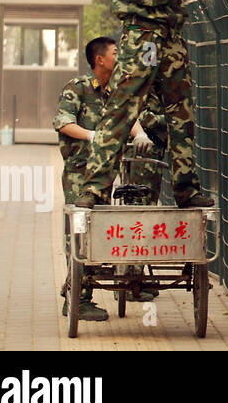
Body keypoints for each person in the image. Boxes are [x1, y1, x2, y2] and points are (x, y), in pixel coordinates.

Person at [75, 0, 220, 208]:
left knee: (181, 116)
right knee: (121, 112)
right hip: (143, 40)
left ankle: (186, 189)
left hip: (170, 40)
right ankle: (95, 188)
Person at [54, 36, 164, 319]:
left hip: (105, 174)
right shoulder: (77, 88)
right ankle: (77, 299)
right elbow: (64, 123)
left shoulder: (116, 90)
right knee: (79, 232)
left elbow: (127, 117)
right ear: (99, 59)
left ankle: (100, 284)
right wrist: (92, 135)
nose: (120, 58)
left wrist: (139, 134)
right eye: (116, 53)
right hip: (80, 172)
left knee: (101, 229)